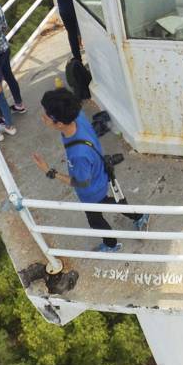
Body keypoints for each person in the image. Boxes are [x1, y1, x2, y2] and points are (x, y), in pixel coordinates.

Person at [32, 88, 149, 253]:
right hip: (98, 171)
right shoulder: (76, 116)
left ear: (59, 123)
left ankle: (111, 244)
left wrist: (50, 172)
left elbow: (80, 182)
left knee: (95, 219)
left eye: (46, 115)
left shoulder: (78, 155)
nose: (42, 117)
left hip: (91, 190)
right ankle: (138, 216)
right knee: (110, 204)